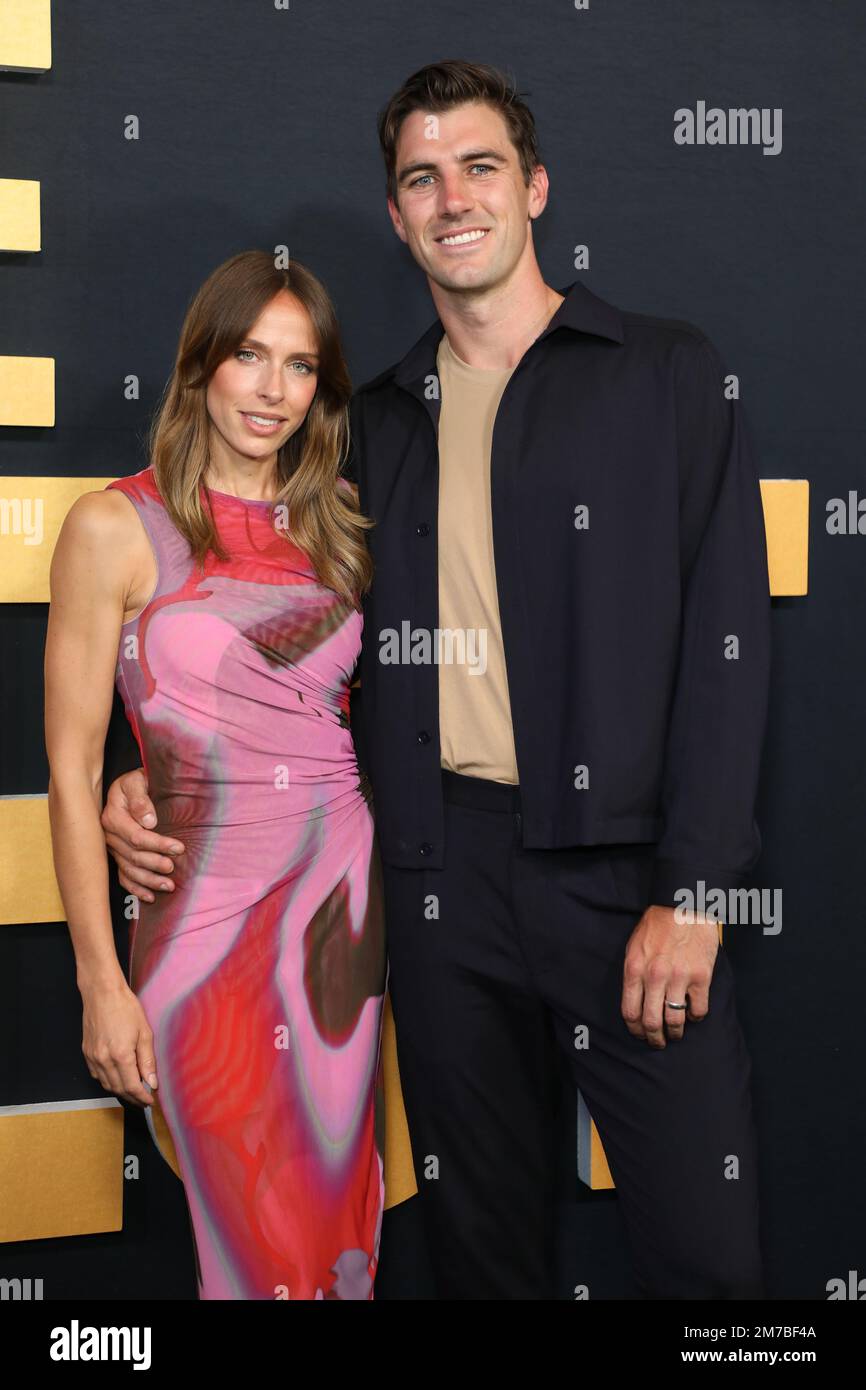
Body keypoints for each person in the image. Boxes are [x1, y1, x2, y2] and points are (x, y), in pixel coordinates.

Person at [101, 61, 772, 1300]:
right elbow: (242, 624)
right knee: (481, 1252)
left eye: (476, 167)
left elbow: (731, 652)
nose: (450, 195)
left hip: (626, 881)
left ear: (532, 187)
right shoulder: (368, 427)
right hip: (432, 882)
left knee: (709, 1261)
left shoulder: (668, 375)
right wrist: (146, 780)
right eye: (420, 176)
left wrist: (695, 889)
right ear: (398, 213)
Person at [44, 250, 387, 1300]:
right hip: (199, 933)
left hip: (335, 919)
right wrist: (100, 982)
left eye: (299, 367)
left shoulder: (337, 520)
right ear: (201, 365)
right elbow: (68, 767)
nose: (273, 391)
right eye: (250, 356)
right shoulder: (116, 525)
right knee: (246, 1240)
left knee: (333, 1231)